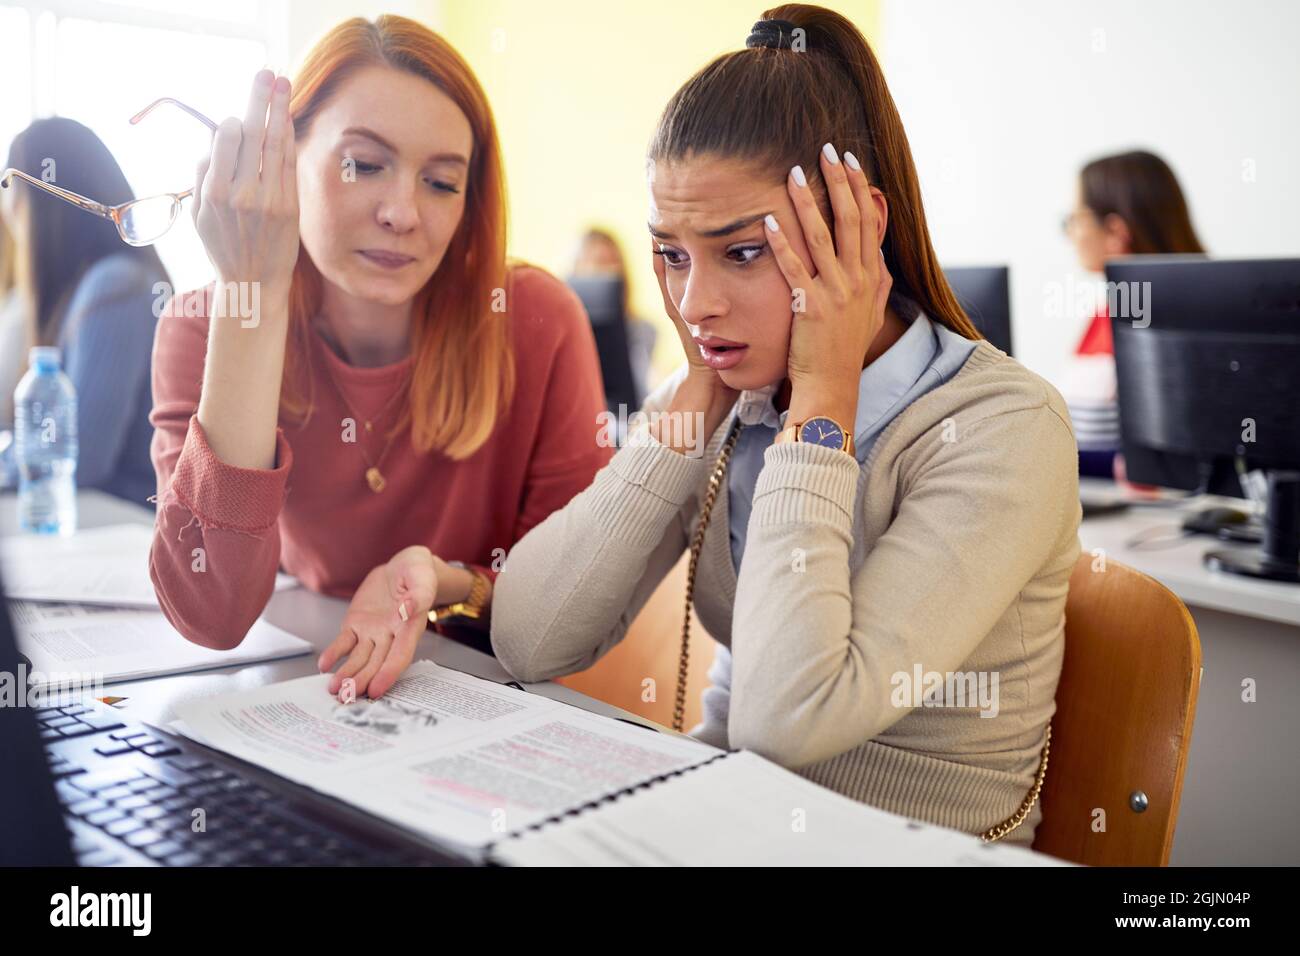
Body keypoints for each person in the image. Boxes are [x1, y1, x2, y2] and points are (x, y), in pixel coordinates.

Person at [489, 4, 1082, 848]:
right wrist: (694, 399)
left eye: (739, 252)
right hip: (733, 829)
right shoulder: (730, 388)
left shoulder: (1004, 429)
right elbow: (530, 637)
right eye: (670, 253)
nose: (695, 304)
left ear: (858, 228)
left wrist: (824, 402)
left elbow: (784, 719)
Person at [148, 15, 610, 702]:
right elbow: (213, 613)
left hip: (485, 705)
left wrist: (441, 585)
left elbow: (575, 609)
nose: (403, 213)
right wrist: (254, 295)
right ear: (282, 162)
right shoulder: (200, 326)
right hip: (307, 685)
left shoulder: (538, 322)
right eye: (363, 164)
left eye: (442, 182)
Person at [1, 118, 167, 503]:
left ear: (37, 211)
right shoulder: (102, 286)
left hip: (127, 526)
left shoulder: (116, 286)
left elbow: (83, 459)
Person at [1060, 149, 1205, 478]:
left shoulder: (1176, 321)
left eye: (1075, 219)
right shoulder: (1110, 308)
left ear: (1114, 232)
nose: (1071, 234)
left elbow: (1165, 462)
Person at [570, 227, 658, 400]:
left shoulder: (644, 331)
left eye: (611, 262)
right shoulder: (562, 331)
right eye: (595, 262)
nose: (604, 271)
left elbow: (638, 391)